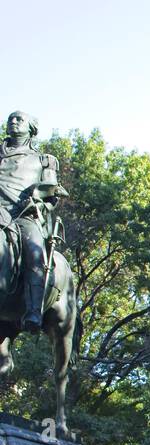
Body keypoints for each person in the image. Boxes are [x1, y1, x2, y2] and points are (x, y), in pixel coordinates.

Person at [0, 111, 64, 333]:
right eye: (10, 119)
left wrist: (38, 204)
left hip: (23, 215)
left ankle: (33, 310)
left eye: (19, 119)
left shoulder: (44, 160)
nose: (13, 122)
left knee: (34, 250)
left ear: (31, 127)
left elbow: (51, 196)